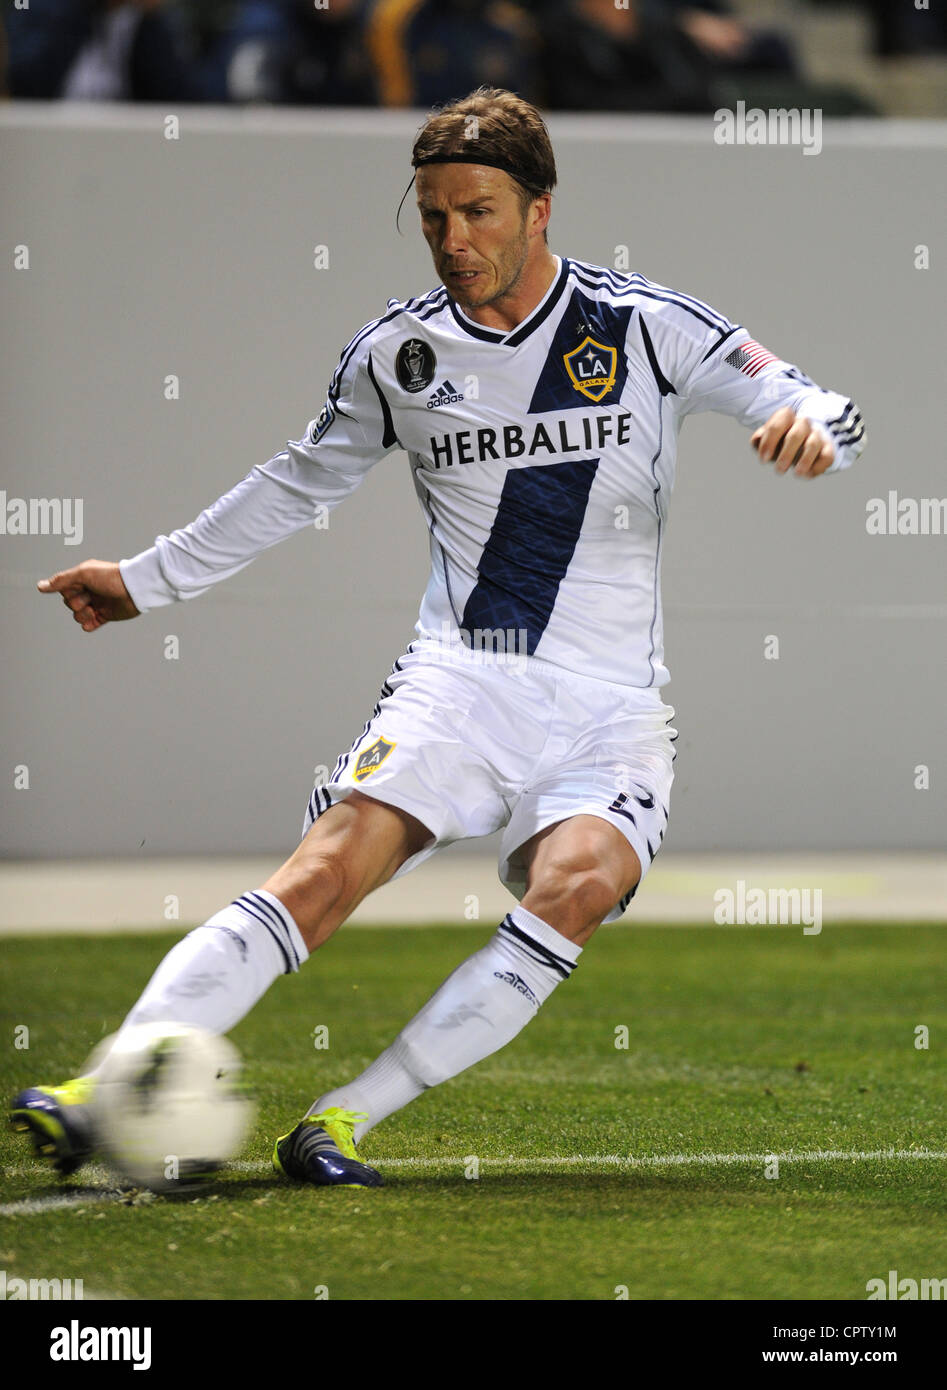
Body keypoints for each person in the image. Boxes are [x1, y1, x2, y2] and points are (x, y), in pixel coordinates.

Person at [12, 87, 866, 1189]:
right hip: (463, 680)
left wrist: (810, 431)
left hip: (610, 709)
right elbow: (292, 483)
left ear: (539, 208)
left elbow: (816, 401)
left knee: (579, 884)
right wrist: (145, 580)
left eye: (477, 212)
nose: (453, 241)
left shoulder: (644, 328)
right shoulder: (395, 356)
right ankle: (108, 1085)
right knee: (328, 868)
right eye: (432, 217)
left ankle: (342, 1120)